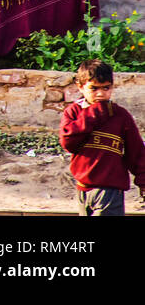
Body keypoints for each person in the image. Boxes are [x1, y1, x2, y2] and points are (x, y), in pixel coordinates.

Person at [59, 59, 145, 215]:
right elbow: (68, 142)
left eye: (106, 88)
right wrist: (94, 113)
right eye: (94, 88)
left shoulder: (120, 116)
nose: (100, 94)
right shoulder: (74, 112)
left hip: (109, 190)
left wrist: (143, 181)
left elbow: (137, 152)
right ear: (80, 87)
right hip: (82, 189)